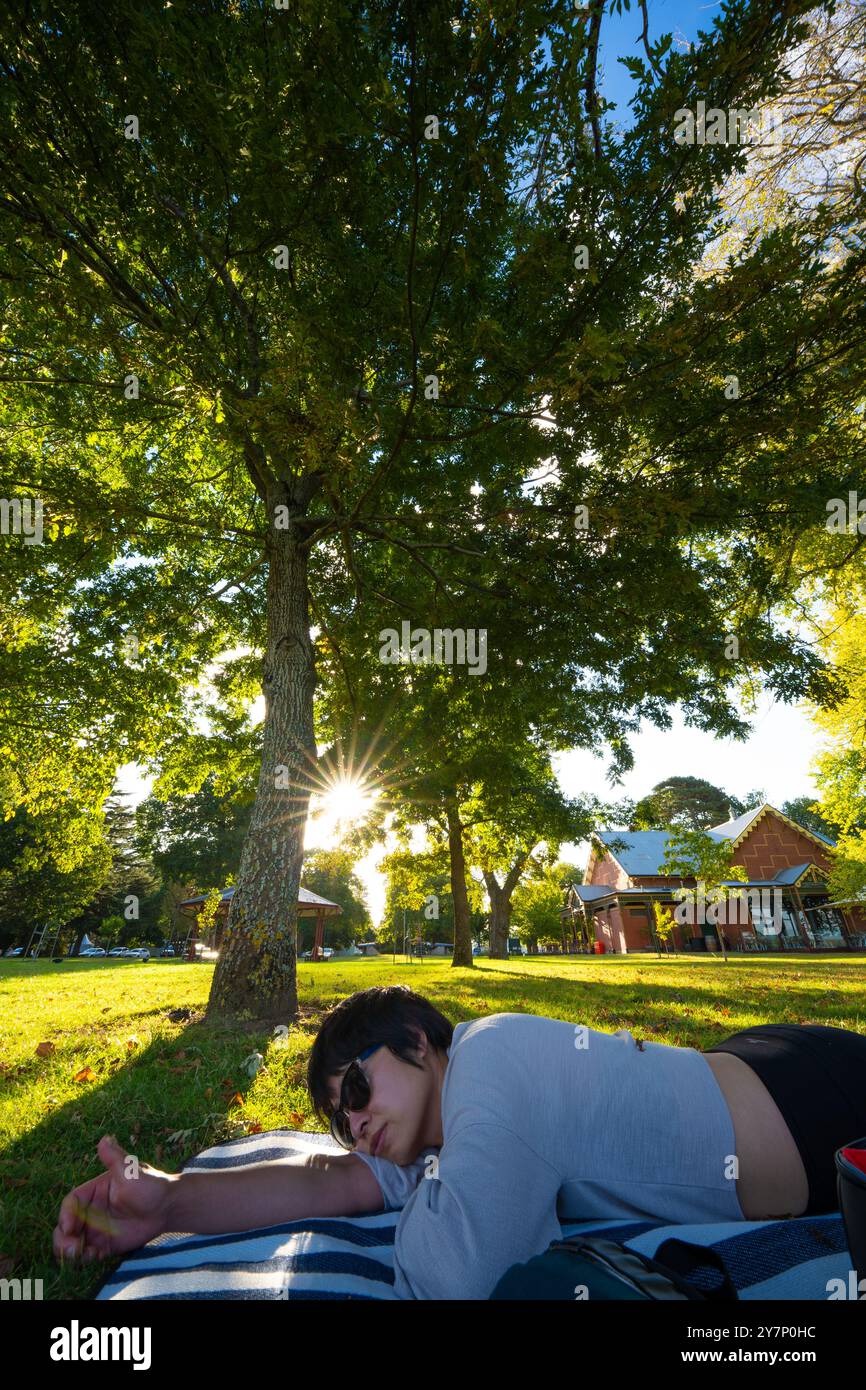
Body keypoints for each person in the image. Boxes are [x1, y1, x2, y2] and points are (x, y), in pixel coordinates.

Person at [53, 985, 866, 1299]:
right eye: (341, 1117)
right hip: (758, 1072)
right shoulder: (446, 1135)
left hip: (811, 1100)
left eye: (359, 1090)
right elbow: (327, 1183)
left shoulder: (492, 1061)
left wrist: (429, 1215)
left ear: (417, 1038)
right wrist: (169, 1203)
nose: (356, 1123)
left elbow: (459, 1276)